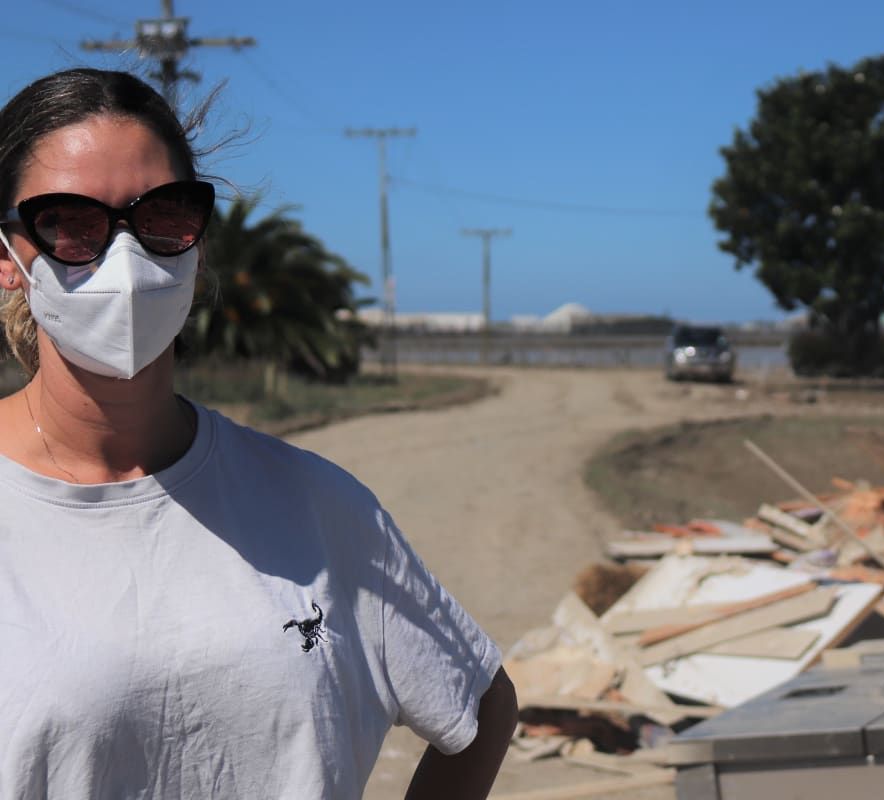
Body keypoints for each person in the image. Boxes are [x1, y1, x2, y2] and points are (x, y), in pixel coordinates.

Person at [0, 68, 517, 799]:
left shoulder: (316, 504)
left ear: (199, 240)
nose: (127, 259)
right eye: (72, 223)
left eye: (163, 217)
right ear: (8, 257)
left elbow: (480, 703)